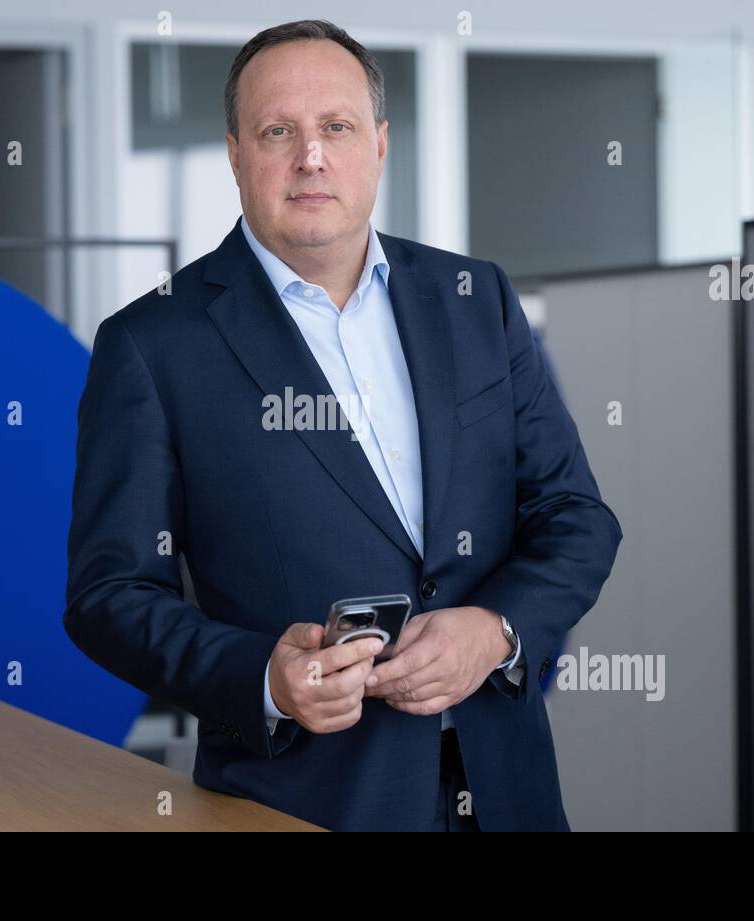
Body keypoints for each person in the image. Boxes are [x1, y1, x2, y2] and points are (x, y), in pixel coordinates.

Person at [64, 19, 622, 831]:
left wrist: (494, 630)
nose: (311, 156)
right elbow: (107, 595)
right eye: (278, 131)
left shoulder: (477, 300)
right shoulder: (152, 345)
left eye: (336, 127)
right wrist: (261, 675)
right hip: (302, 801)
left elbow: (577, 518)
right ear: (233, 153)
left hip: (507, 791)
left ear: (381, 143)